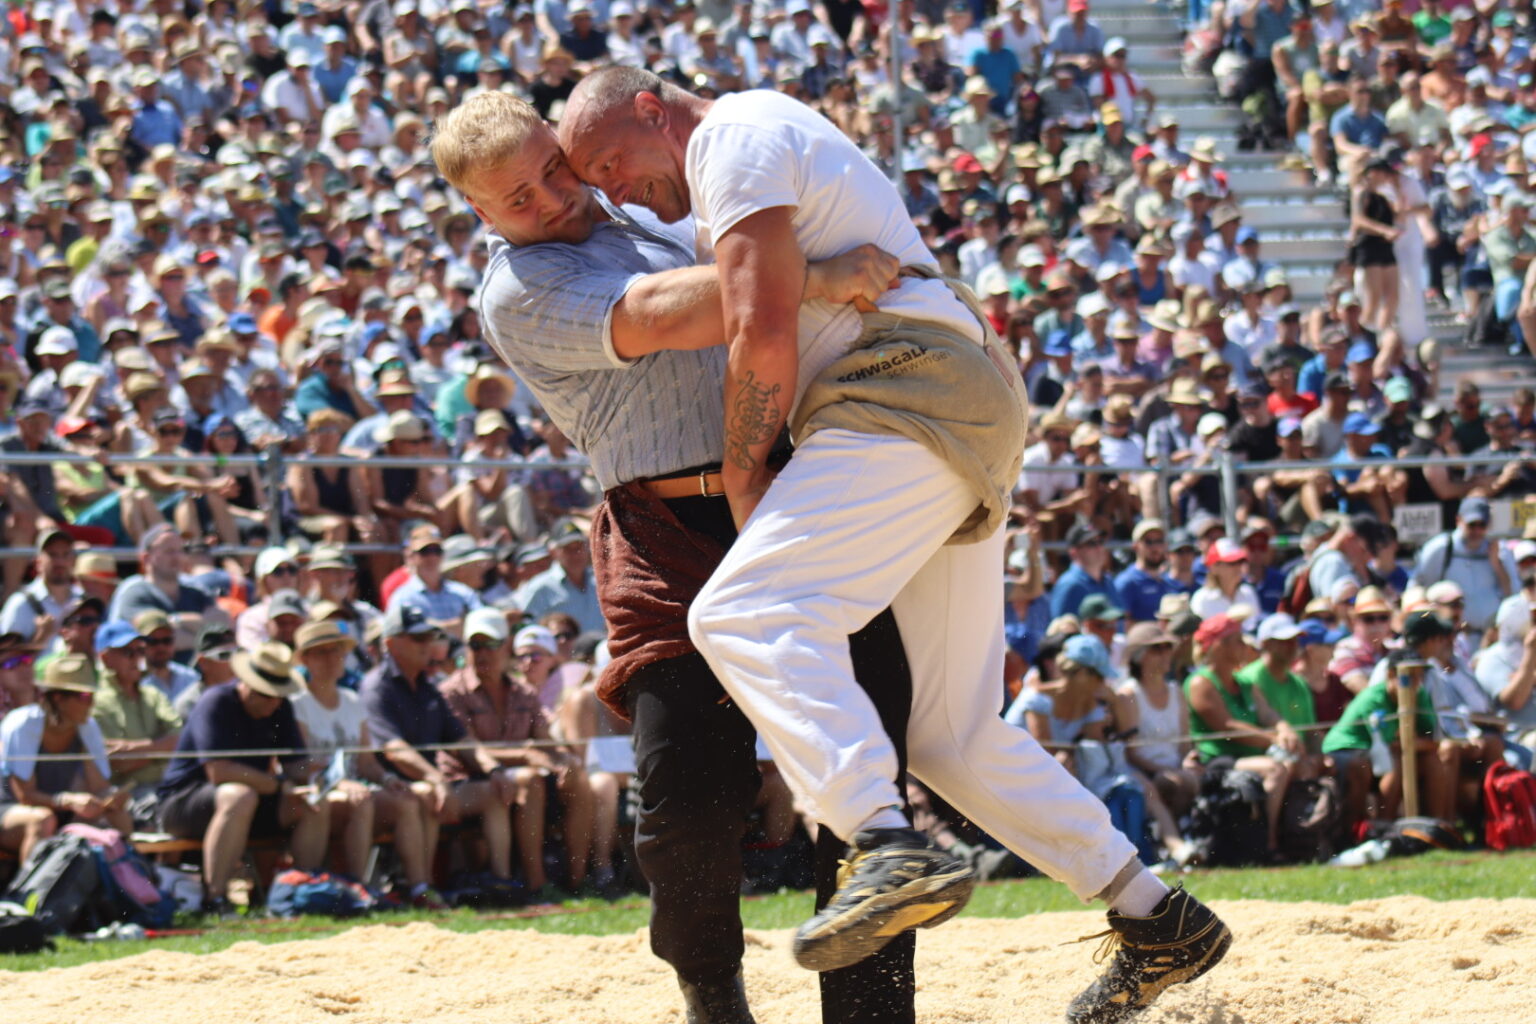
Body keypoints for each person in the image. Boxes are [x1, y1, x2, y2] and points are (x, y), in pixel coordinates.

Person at [560, 67, 1226, 1009]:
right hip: (939, 397)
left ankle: (882, 844)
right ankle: (1158, 916)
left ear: (651, 110)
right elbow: (774, 288)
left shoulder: (731, 138)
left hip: (902, 391)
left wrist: (749, 474)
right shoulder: (734, 157)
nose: (610, 190)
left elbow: (759, 321)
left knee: (743, 613)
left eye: (609, 164)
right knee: (949, 736)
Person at [432, 89, 920, 1024]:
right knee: (688, 805)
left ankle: (872, 1011)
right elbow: (656, 314)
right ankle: (712, 995)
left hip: (795, 500)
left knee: (869, 776)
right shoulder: (514, 290)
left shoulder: (655, 204)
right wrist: (808, 276)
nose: (552, 200)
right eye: (519, 199)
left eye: (552, 171)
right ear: (481, 214)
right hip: (668, 535)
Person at [156, 642, 331, 916]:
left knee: (314, 805)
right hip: (183, 804)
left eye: (279, 695)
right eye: (268, 695)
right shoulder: (215, 702)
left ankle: (300, 895)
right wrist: (277, 785)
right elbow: (219, 772)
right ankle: (215, 900)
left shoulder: (280, 707)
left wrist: (320, 776)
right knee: (238, 795)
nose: (275, 703)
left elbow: (296, 764)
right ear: (248, 685)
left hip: (249, 801)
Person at [441, 607, 596, 898]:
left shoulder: (522, 692)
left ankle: (580, 881)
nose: (483, 653)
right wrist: (527, 755)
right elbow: (468, 749)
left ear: (505, 647)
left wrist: (565, 760)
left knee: (578, 779)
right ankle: (537, 885)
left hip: (510, 776)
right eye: (475, 645)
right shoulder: (452, 692)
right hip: (469, 780)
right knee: (528, 779)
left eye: (490, 644)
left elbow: (544, 740)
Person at [360, 603, 518, 886]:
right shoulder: (376, 687)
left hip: (433, 786)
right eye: (417, 638)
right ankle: (422, 889)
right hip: (386, 789)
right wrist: (436, 778)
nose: (426, 646)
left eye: (428, 638)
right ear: (391, 644)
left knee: (494, 792)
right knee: (427, 794)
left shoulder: (427, 687)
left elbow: (462, 740)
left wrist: (493, 768)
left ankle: (502, 882)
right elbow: (393, 749)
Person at [291, 620, 443, 907]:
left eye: (336, 651)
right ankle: (358, 889)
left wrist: (388, 780)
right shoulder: (298, 704)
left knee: (408, 800)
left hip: (353, 788)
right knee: (362, 801)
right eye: (321, 652)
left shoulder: (351, 700)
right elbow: (302, 764)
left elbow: (367, 762)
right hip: (316, 792)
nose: (331, 659)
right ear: (306, 659)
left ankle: (420, 887)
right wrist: (341, 782)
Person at [1184, 613, 1302, 854]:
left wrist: (1284, 729)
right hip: (1217, 760)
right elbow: (1225, 725)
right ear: (1218, 646)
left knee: (1299, 764)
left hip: (1249, 756)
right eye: (1238, 640)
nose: (1245, 647)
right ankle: (1265, 842)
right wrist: (1272, 738)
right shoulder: (1201, 683)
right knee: (1275, 769)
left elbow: (1269, 715)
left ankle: (1297, 840)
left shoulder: (1244, 682)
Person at [0, 654, 129, 865]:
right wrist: (68, 800)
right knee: (41, 820)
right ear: (58, 698)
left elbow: (99, 786)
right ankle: (30, 893)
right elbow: (25, 796)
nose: (93, 704)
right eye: (86, 697)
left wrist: (112, 797)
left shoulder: (87, 726)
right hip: (8, 810)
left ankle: (127, 888)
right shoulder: (22, 724)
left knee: (119, 815)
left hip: (58, 810)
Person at [90, 619, 182, 816]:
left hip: (168, 786)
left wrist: (136, 750)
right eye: (127, 653)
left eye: (140, 651)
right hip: (130, 796)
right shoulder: (95, 703)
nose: (136, 659)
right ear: (105, 658)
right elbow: (115, 762)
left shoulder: (153, 694)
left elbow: (181, 740)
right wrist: (161, 748)